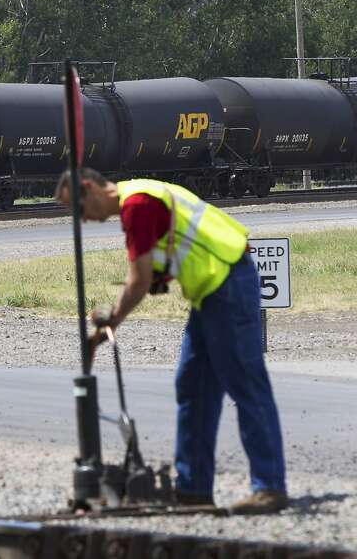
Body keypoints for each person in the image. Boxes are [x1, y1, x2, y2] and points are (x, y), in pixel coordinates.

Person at [55, 168, 288, 515]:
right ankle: (194, 490)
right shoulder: (140, 194)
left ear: (89, 188)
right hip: (212, 290)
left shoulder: (137, 206)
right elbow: (157, 266)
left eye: (78, 209)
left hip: (227, 281)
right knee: (193, 386)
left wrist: (110, 324)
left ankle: (269, 487)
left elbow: (139, 280)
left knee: (246, 384)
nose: (83, 220)